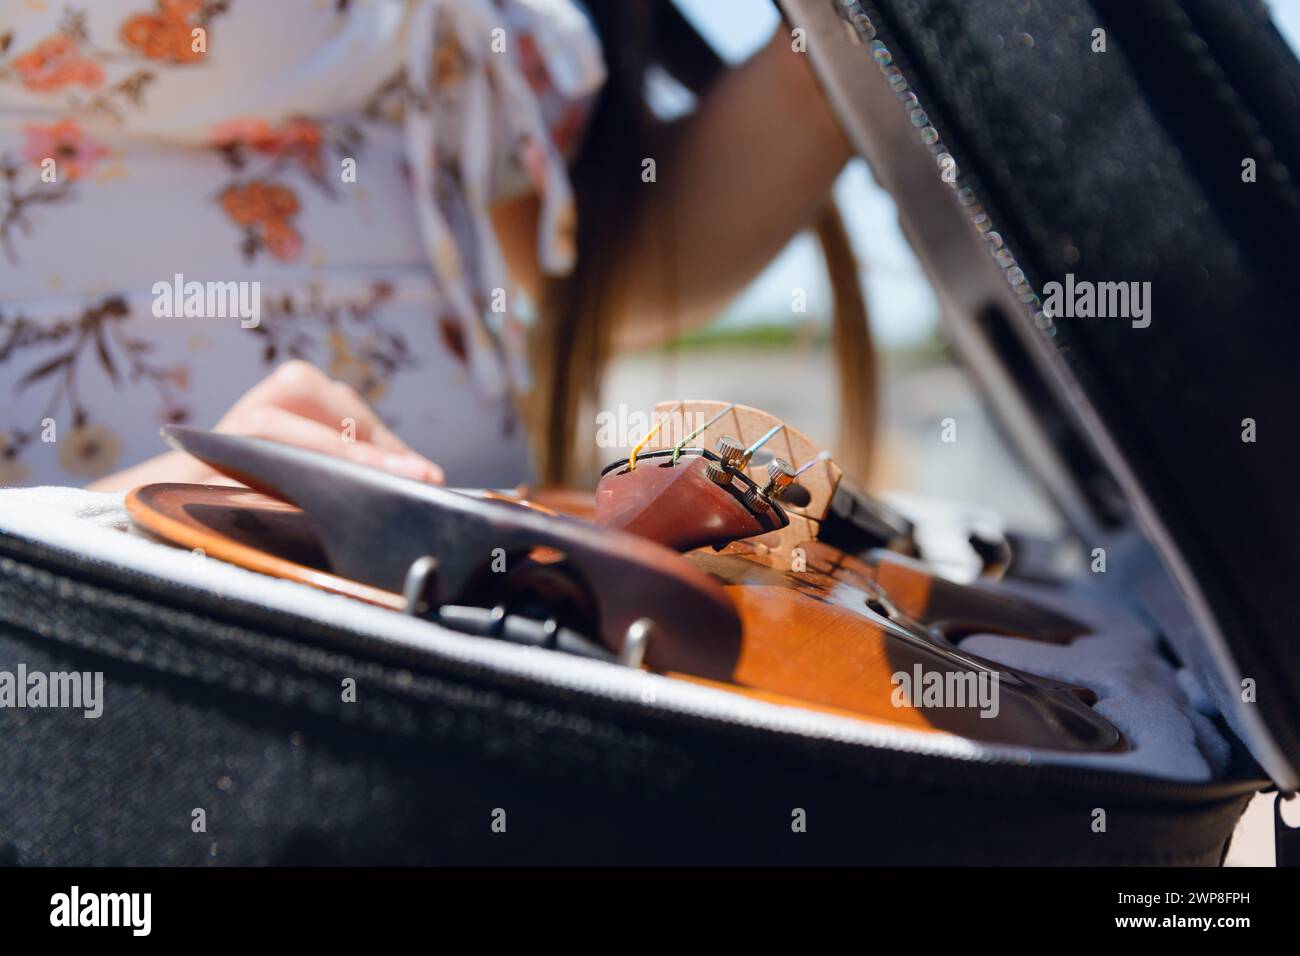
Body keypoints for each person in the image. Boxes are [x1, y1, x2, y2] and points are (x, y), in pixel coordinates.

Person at [0, 0, 868, 494]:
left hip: (458, 632)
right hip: (103, 674)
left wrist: (833, 63)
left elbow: (594, 257)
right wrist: (123, 523)